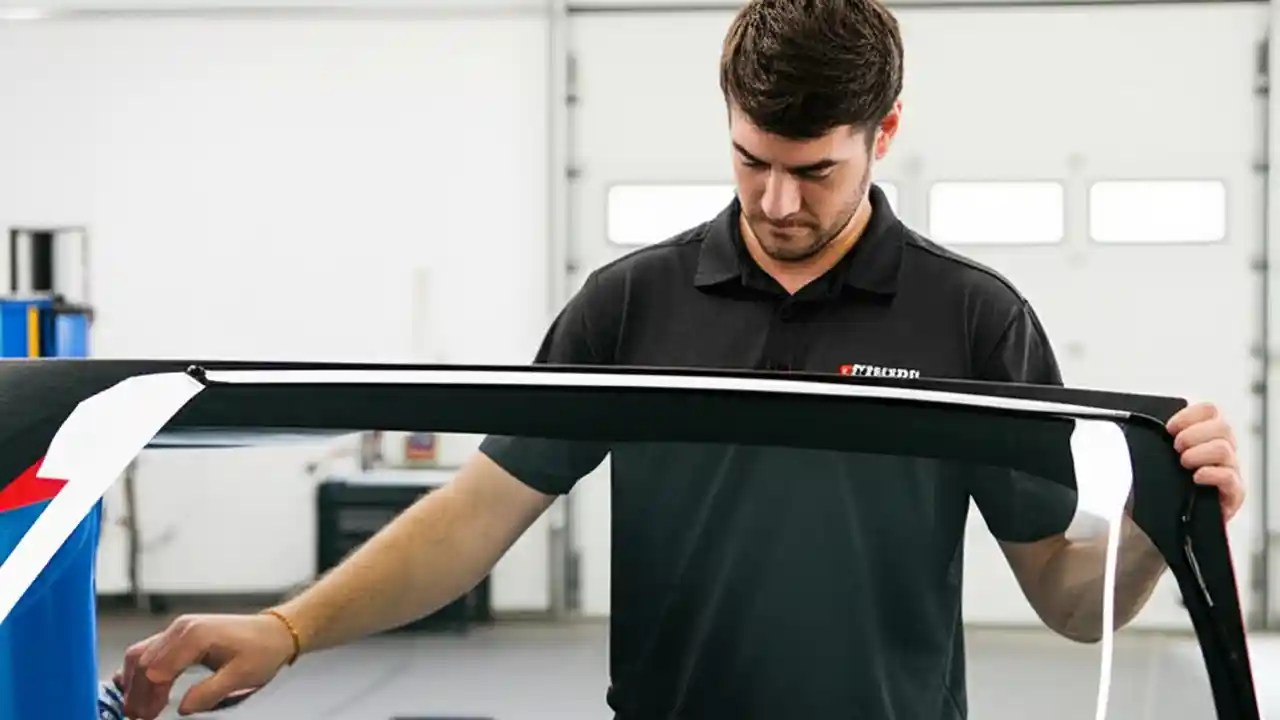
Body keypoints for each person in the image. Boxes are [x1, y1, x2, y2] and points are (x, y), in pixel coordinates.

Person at [114, 1, 1247, 718]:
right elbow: (474, 518)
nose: (772, 199)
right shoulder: (630, 305)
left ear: (882, 134)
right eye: (751, 159)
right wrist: (289, 626)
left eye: (811, 171)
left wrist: (1162, 512)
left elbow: (1063, 598)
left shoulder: (970, 318)